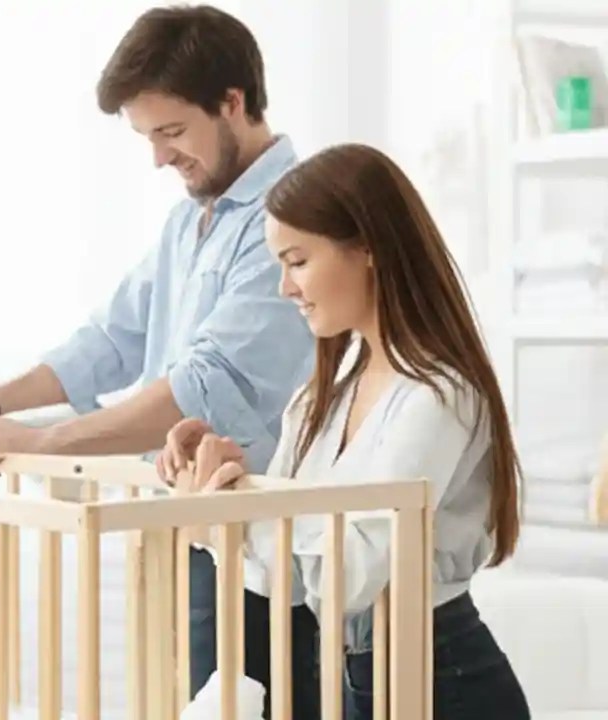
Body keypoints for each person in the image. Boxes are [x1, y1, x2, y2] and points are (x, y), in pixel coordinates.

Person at [0, 5, 318, 716]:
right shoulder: (191, 218)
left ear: (232, 103)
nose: (158, 158)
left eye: (171, 132)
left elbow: (207, 386)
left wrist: (45, 442)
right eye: (147, 138)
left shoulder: (293, 211)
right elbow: (109, 340)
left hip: (256, 538)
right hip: (189, 525)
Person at [158, 142, 531, 718]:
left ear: (367, 249)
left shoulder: (439, 396)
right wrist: (224, 497)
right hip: (358, 678)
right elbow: (285, 583)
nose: (284, 287)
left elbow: (348, 579)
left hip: (445, 682)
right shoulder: (319, 398)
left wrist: (231, 518)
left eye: (297, 261)